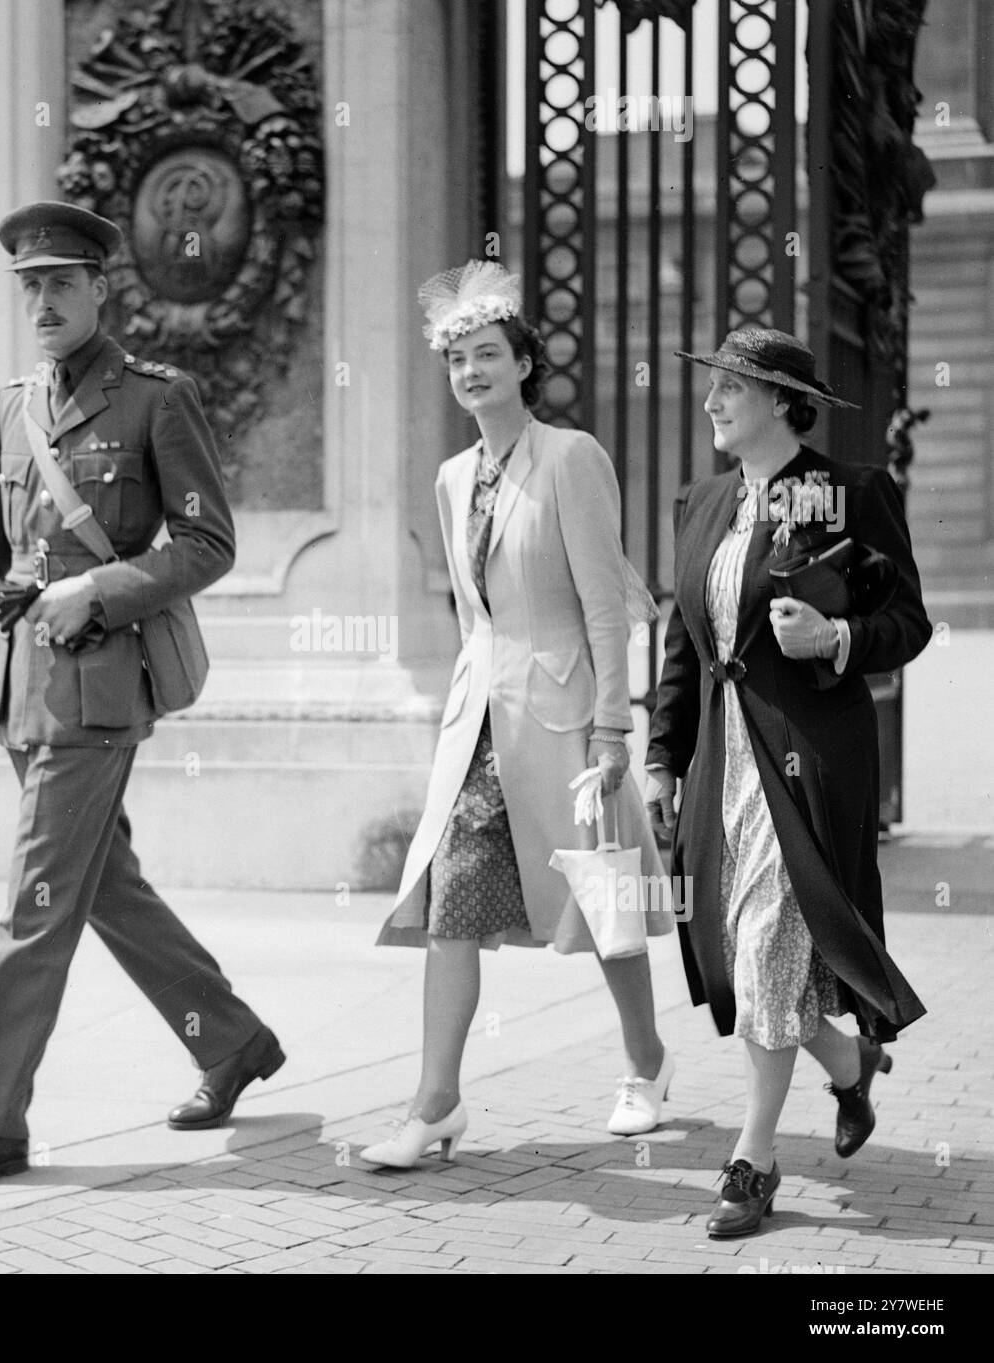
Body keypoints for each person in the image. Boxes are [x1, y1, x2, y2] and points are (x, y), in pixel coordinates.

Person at [0, 201, 283, 1191]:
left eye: (61, 282)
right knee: (99, 884)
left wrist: (99, 587)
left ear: (100, 288)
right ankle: (229, 1039)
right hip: (23, 690)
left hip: (100, 695)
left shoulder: (157, 398)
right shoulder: (9, 405)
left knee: (34, 902)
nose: (44, 301)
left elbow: (207, 543)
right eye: (30, 286)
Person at [361, 261, 674, 1169]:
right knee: (449, 898)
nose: (472, 372)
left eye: (488, 353)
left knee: (602, 893)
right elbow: (473, 618)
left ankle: (646, 1063)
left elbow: (603, 605)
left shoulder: (572, 457)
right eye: (457, 359)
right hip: (480, 728)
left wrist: (614, 729)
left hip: (568, 720)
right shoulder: (452, 477)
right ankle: (435, 1103)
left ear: (525, 363)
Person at [644, 327, 930, 1237]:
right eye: (714, 385)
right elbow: (685, 645)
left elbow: (908, 619)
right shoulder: (701, 501)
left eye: (733, 387)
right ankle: (849, 1067)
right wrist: (661, 753)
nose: (714, 401)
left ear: (780, 401)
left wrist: (836, 640)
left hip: (806, 748)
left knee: (769, 934)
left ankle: (753, 1158)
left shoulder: (850, 494)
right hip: (718, 757)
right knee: (747, 947)